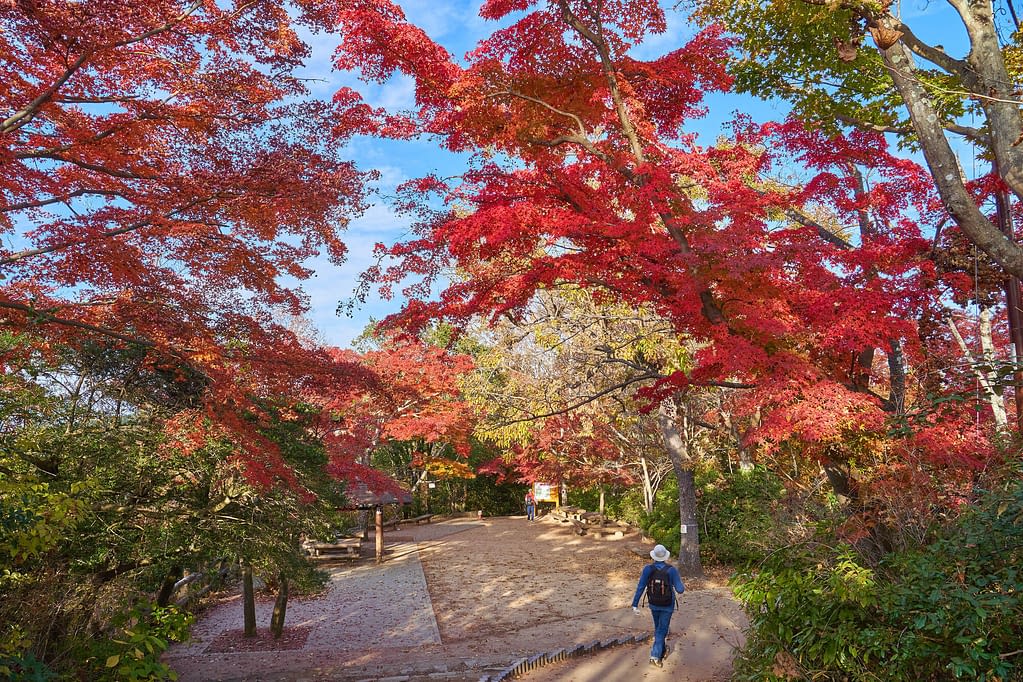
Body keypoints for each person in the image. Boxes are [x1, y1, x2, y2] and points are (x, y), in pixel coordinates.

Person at [631, 544, 685, 668]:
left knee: (659, 628)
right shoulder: (671, 570)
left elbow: (640, 587)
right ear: (665, 556)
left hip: (653, 603)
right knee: (662, 630)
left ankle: (661, 650)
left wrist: (635, 604)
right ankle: (654, 657)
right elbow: (680, 589)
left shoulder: (647, 569)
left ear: (654, 556)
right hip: (667, 605)